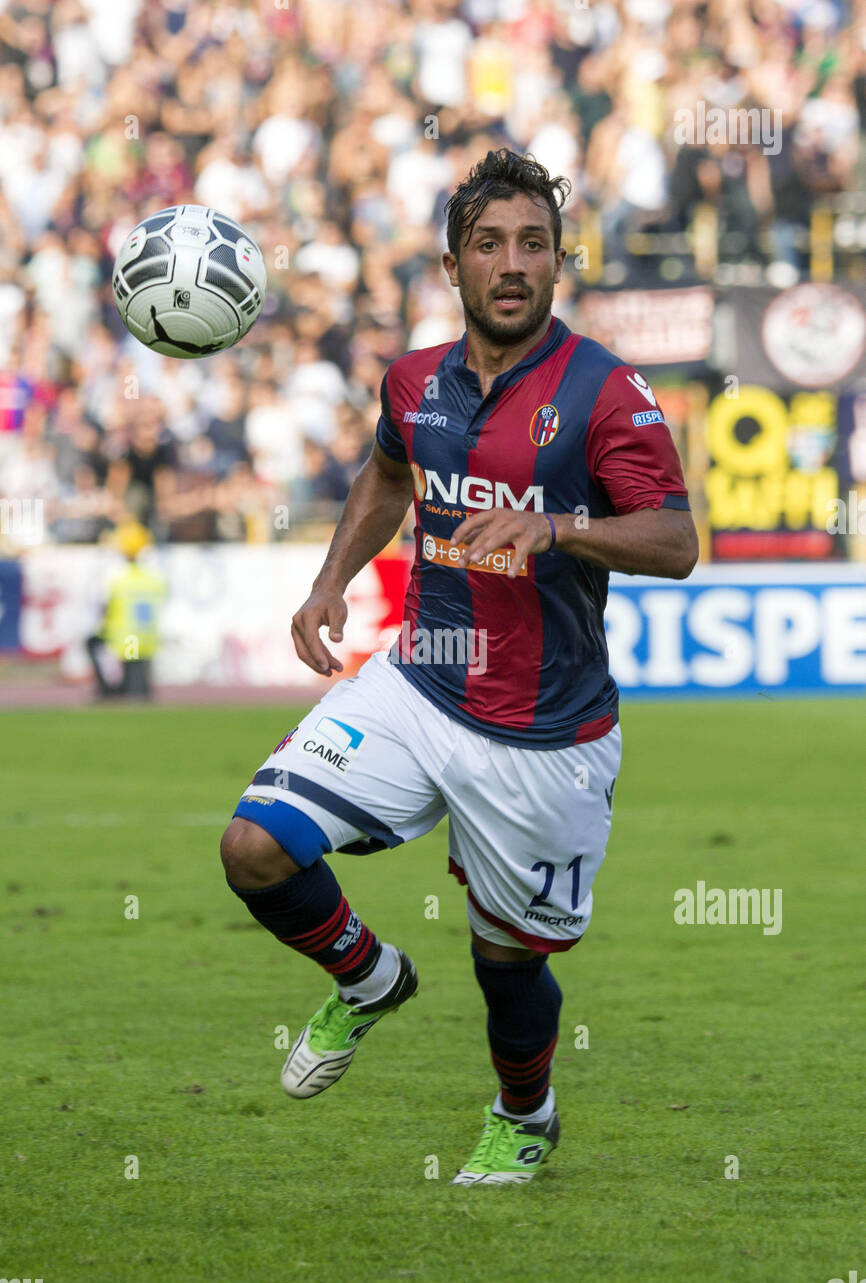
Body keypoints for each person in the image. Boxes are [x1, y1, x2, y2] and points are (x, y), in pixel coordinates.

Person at [220, 149, 698, 1185]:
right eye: (489, 244)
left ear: (560, 264)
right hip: (417, 682)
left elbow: (672, 542)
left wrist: (560, 526)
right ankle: (367, 975)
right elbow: (388, 471)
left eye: (533, 244)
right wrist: (328, 581)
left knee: (505, 961)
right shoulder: (413, 382)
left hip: (544, 735)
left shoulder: (605, 392)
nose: (512, 263)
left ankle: (522, 1113)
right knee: (255, 846)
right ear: (452, 265)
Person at [86, 521, 166, 699]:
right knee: (139, 681)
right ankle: (136, 690)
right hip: (148, 637)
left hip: (127, 639)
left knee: (132, 692)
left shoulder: (116, 576)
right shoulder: (153, 576)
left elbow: (103, 605)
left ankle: (110, 691)